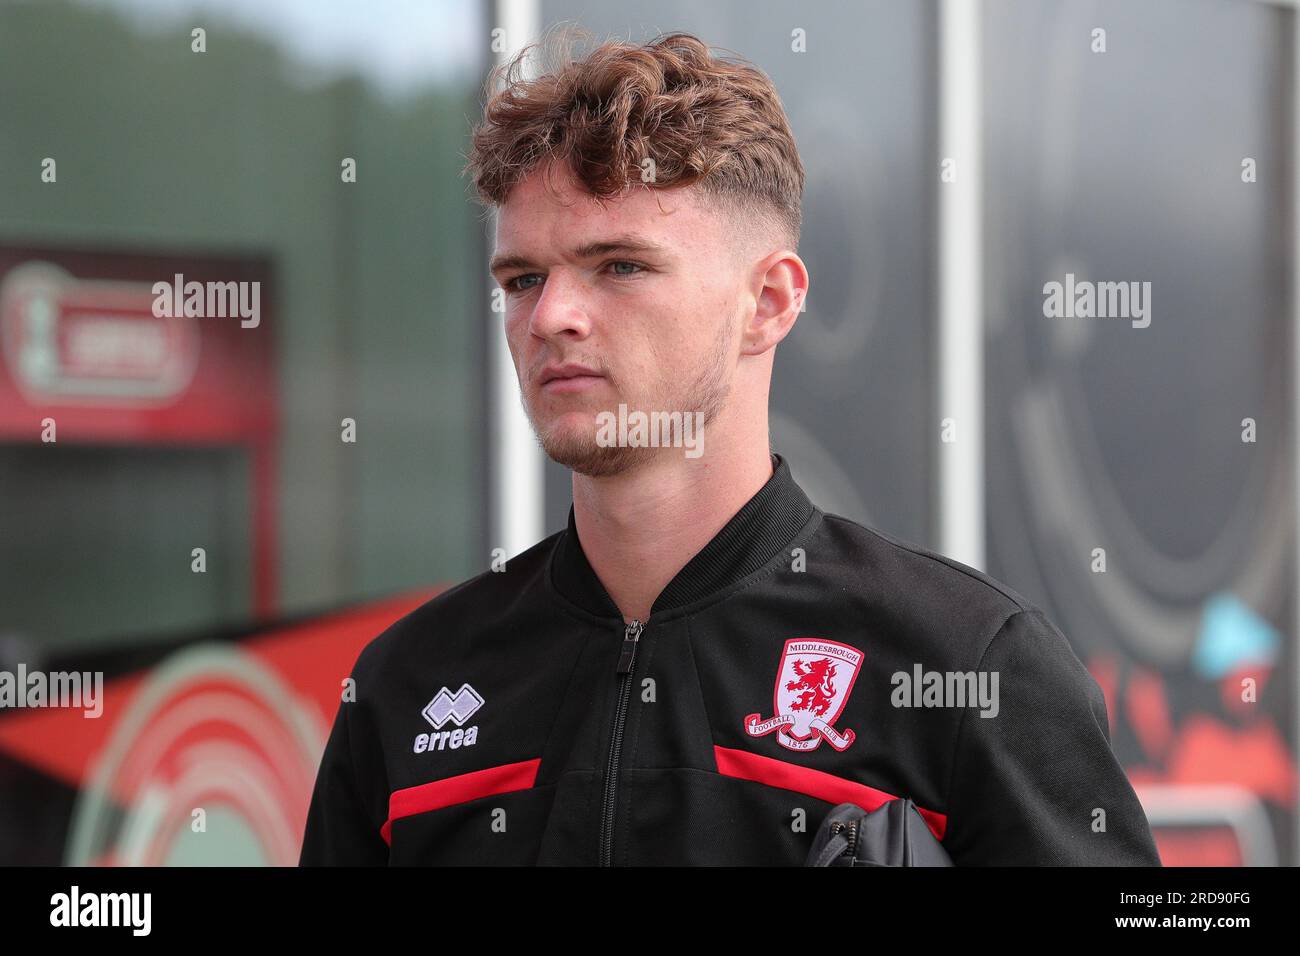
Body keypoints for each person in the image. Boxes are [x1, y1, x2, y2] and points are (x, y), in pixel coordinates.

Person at [299, 30, 1160, 866]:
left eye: (620, 266)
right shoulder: (409, 685)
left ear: (770, 302)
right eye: (523, 278)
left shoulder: (967, 665)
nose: (551, 316)